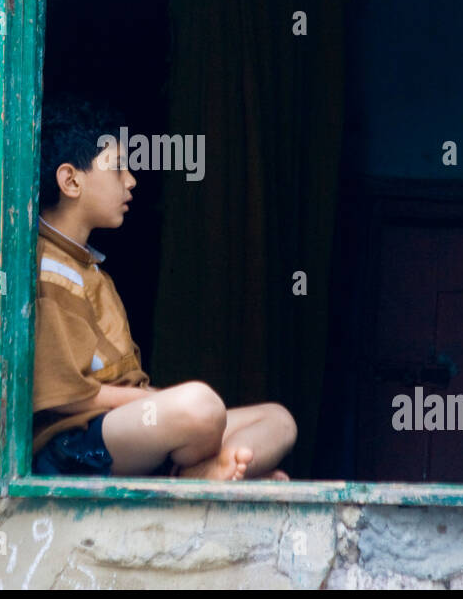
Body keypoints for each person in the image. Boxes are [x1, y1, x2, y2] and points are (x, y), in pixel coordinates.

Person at [31, 95, 297, 481]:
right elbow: (70, 396)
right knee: (201, 406)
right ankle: (202, 474)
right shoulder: (48, 265)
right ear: (71, 180)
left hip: (128, 429)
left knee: (279, 420)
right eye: (118, 168)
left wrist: (153, 404)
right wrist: (154, 401)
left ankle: (204, 474)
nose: (132, 181)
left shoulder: (87, 266)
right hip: (73, 444)